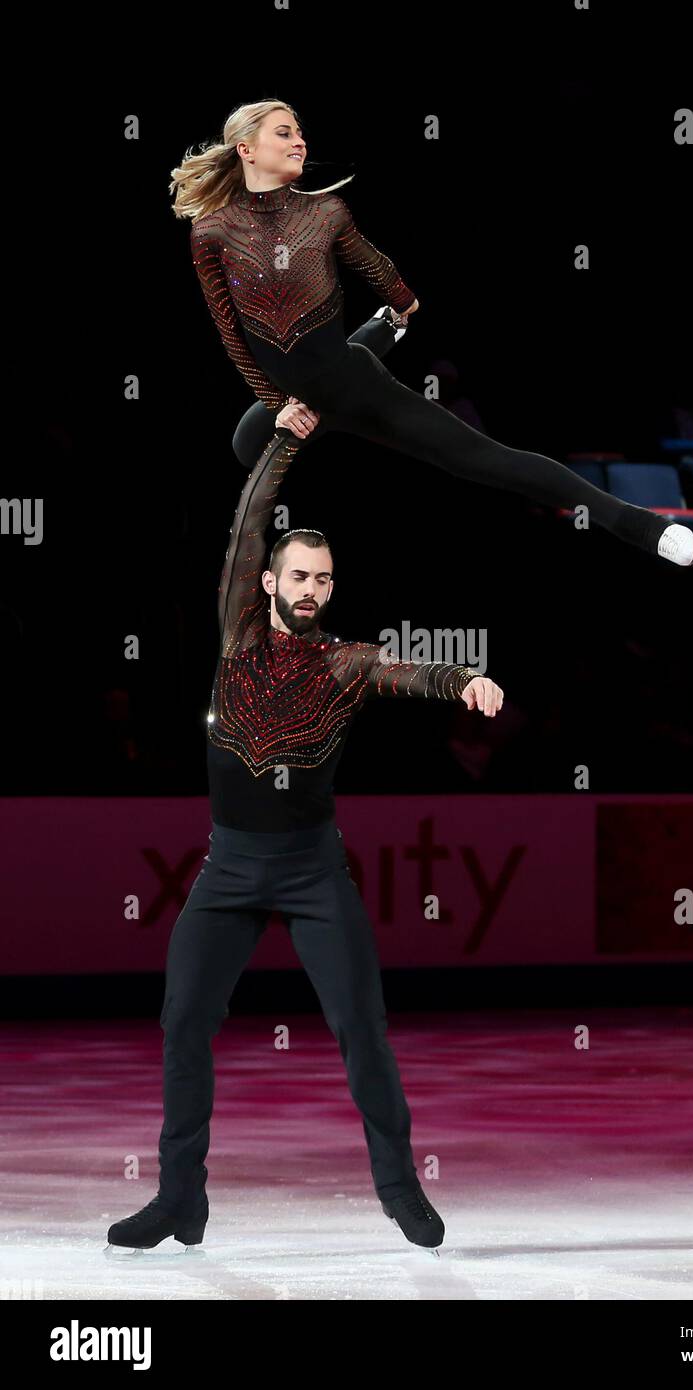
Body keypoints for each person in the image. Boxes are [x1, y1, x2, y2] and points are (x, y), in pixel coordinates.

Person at [106, 420, 503, 1256]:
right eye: (300, 574)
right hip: (230, 867)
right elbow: (250, 521)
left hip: (312, 870)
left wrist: (464, 678)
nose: (313, 587)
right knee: (183, 1020)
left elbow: (412, 670)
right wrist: (282, 445)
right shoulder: (238, 632)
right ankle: (180, 1198)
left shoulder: (345, 664)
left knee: (361, 1026)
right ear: (272, 580)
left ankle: (399, 1189)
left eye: (325, 577)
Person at [170, 98, 693, 568]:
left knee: (487, 461)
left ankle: (645, 528)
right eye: (284, 133)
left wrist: (401, 302)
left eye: (300, 132)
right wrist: (278, 401)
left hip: (356, 387)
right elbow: (230, 333)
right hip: (294, 397)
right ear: (245, 148)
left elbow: (379, 269)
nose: (300, 142)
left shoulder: (326, 211)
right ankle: (378, 333)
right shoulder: (210, 232)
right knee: (242, 447)